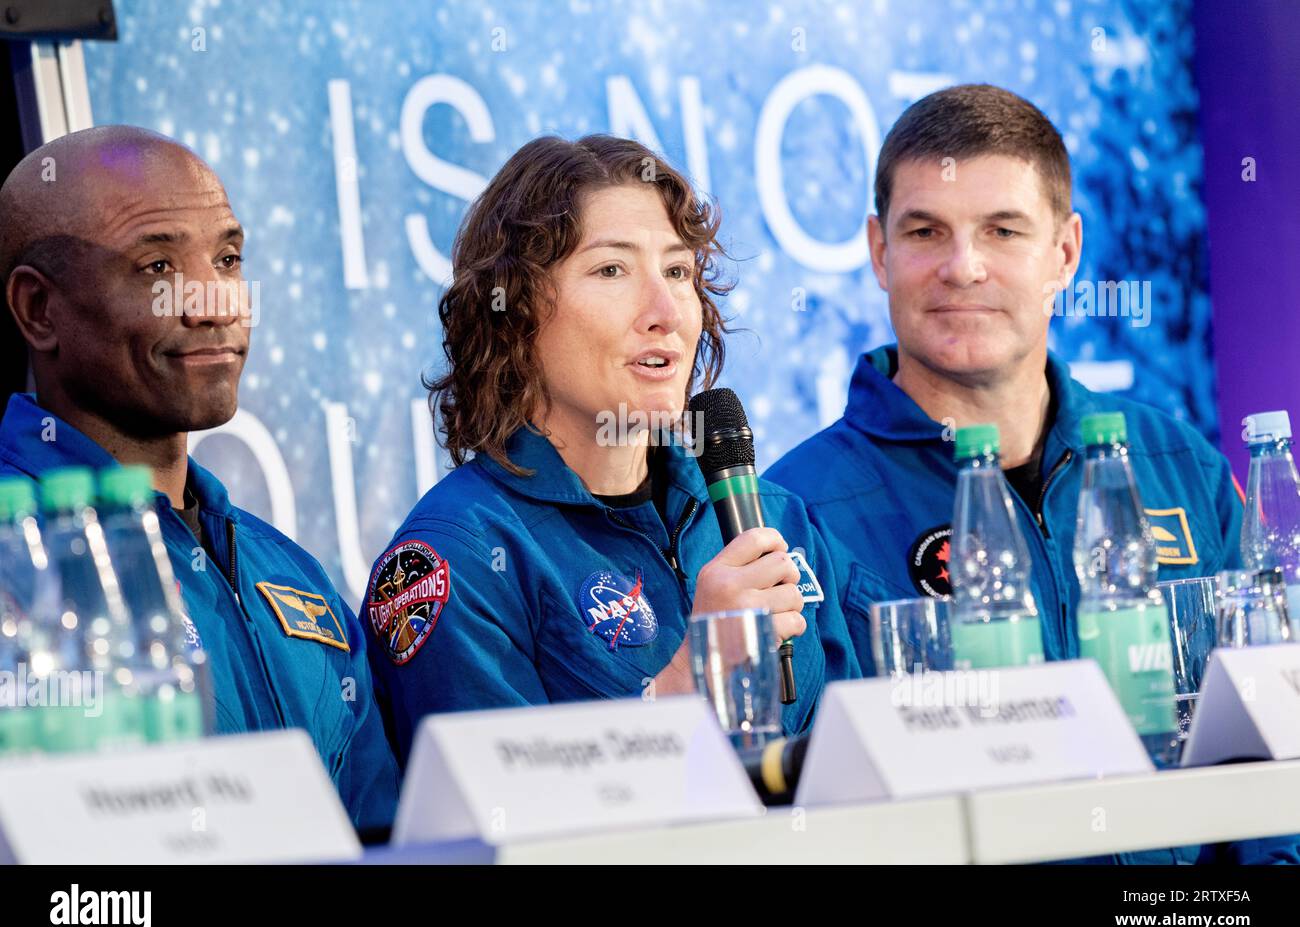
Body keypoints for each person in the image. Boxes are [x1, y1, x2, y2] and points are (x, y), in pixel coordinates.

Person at [767, 84, 1298, 864]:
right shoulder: (799, 513)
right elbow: (806, 821)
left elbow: (1272, 751)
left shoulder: (1178, 463)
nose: (963, 267)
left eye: (1003, 230)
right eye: (926, 232)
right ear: (880, 252)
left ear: (1066, 252)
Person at [361, 134, 859, 765]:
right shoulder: (454, 559)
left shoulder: (774, 521)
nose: (665, 312)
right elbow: (503, 830)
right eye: (612, 270)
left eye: (677, 271)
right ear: (515, 313)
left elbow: (856, 776)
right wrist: (683, 687)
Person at [0, 125, 398, 833]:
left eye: (228, 259)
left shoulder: (295, 575)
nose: (216, 303)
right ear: (40, 310)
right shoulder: (17, 561)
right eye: (157, 268)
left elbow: (385, 838)